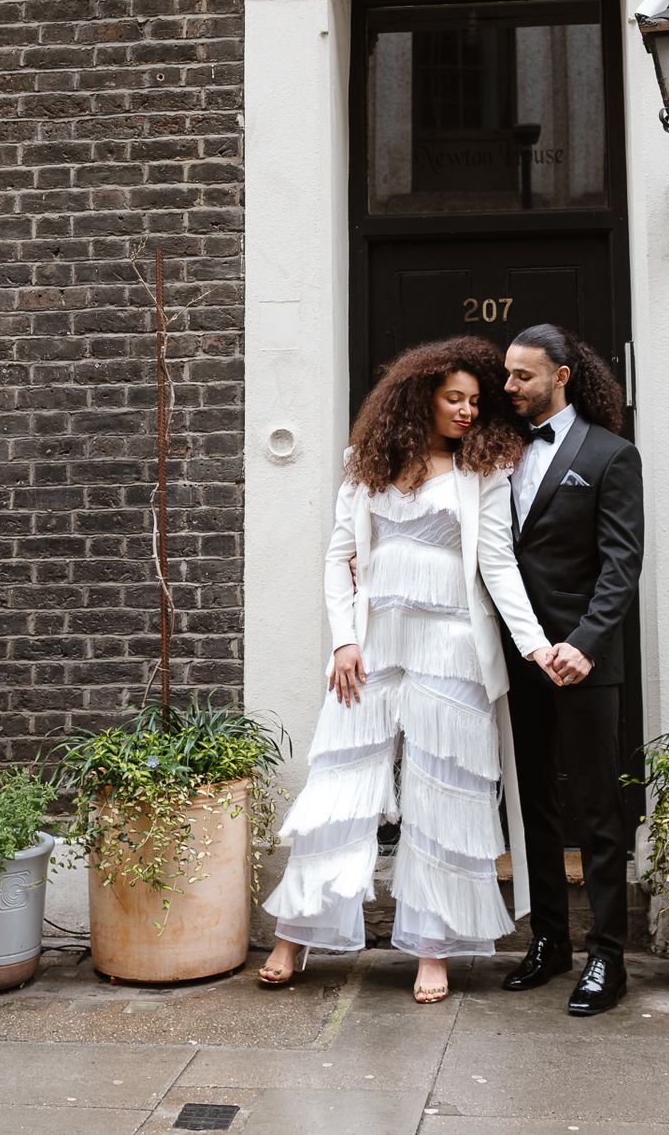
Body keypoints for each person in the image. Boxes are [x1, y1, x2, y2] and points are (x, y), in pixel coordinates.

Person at [256, 335, 569, 1004]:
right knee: (339, 785)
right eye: (453, 397)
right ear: (417, 396)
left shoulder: (482, 471)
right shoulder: (364, 467)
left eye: (474, 402)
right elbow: (337, 558)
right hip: (371, 650)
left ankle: (434, 948)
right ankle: (293, 935)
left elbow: (498, 566)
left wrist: (536, 643)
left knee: (443, 799)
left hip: (453, 649)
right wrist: (343, 641)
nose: (465, 410)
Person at [498, 322, 644, 1016]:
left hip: (586, 660)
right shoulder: (496, 452)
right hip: (522, 657)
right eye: (507, 374)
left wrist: (583, 641)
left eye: (522, 375)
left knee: (597, 808)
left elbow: (622, 564)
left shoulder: (613, 455)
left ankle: (607, 956)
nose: (509, 386)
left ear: (560, 374)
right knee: (537, 806)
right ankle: (550, 941)